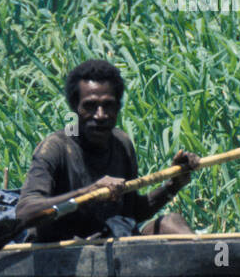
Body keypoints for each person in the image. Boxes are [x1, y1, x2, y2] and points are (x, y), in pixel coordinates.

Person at [15, 60, 201, 242]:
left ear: (118, 107)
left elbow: (133, 212)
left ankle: (209, 261)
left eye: (108, 105)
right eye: (90, 106)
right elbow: (24, 212)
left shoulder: (122, 143)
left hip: (110, 244)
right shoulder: (55, 148)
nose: (101, 115)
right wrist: (89, 192)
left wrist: (173, 185)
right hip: (64, 250)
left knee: (172, 222)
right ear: (75, 108)